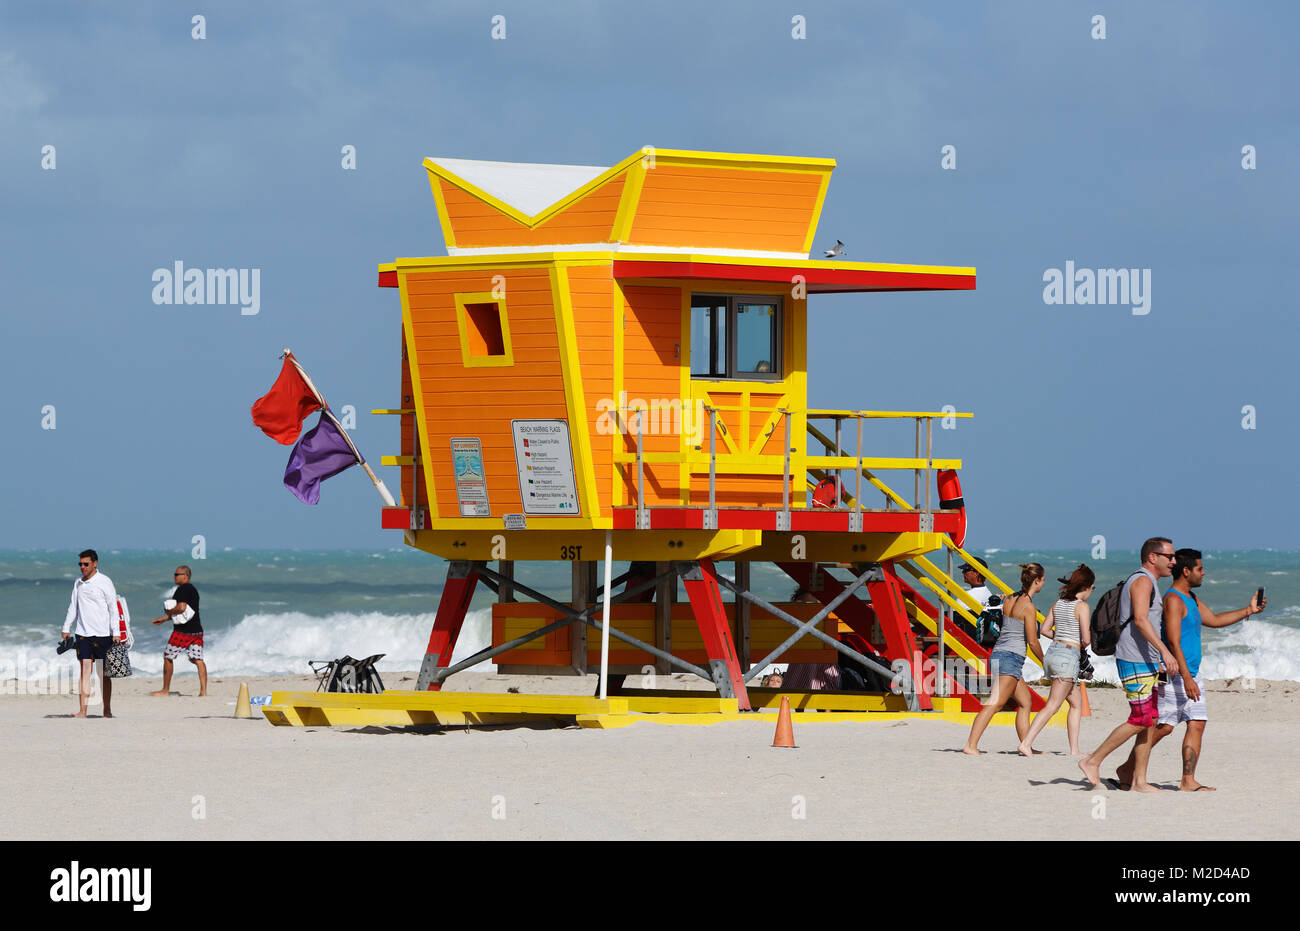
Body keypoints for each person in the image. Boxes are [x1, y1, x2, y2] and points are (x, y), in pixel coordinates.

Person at [1114, 548, 1263, 791]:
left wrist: (1249, 610)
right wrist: (1186, 679)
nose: (1203, 573)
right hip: (1172, 672)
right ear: (1186, 571)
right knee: (1163, 727)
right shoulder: (1173, 599)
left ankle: (1187, 781)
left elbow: (1214, 619)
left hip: (1191, 672)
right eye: (1199, 569)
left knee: (1197, 722)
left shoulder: (1191, 598)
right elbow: (1173, 642)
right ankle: (1128, 769)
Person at [1077, 538, 1181, 791]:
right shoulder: (1143, 580)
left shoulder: (1149, 581)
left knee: (1152, 718)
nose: (1174, 561)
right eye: (1169, 556)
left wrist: (1158, 658)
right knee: (1141, 717)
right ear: (1152, 557)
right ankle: (1092, 760)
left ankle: (1139, 780)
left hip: (1147, 660)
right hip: (1133, 658)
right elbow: (1141, 620)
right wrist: (1165, 652)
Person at [962, 563, 1046, 754]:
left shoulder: (1009, 598)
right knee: (995, 703)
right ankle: (971, 745)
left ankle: (1026, 746)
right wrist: (1045, 662)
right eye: (1042, 580)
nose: (1043, 584)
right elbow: (1033, 642)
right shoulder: (1029, 607)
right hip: (1011, 658)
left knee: (1025, 702)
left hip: (999, 654)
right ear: (1036, 581)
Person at [1017, 565, 1094, 756]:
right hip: (1068, 657)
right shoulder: (1082, 607)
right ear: (1086, 587)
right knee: (1052, 705)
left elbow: (1044, 630)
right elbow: (1086, 639)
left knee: (1076, 702)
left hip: (1052, 654)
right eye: (1092, 588)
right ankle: (1026, 743)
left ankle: (1074, 749)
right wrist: (1073, 643)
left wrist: (1060, 638)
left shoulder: (1058, 603)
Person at [61, 549, 121, 718]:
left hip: (103, 634)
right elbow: (73, 606)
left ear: (95, 564)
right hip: (83, 634)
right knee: (85, 669)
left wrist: (116, 632)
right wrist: (66, 627)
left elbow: (113, 608)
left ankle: (107, 709)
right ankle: (83, 710)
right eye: (80, 564)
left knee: (103, 674)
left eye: (86, 564)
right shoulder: (78, 582)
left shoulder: (104, 581)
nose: (82, 567)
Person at [151, 565, 207, 696]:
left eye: (177, 575)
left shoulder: (182, 589)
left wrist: (169, 611)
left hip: (183, 632)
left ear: (185, 576)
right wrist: (165, 618)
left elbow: (181, 608)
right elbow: (186, 613)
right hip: (196, 630)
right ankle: (203, 692)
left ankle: (165, 690)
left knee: (168, 656)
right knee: (198, 659)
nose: (174, 577)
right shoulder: (193, 590)